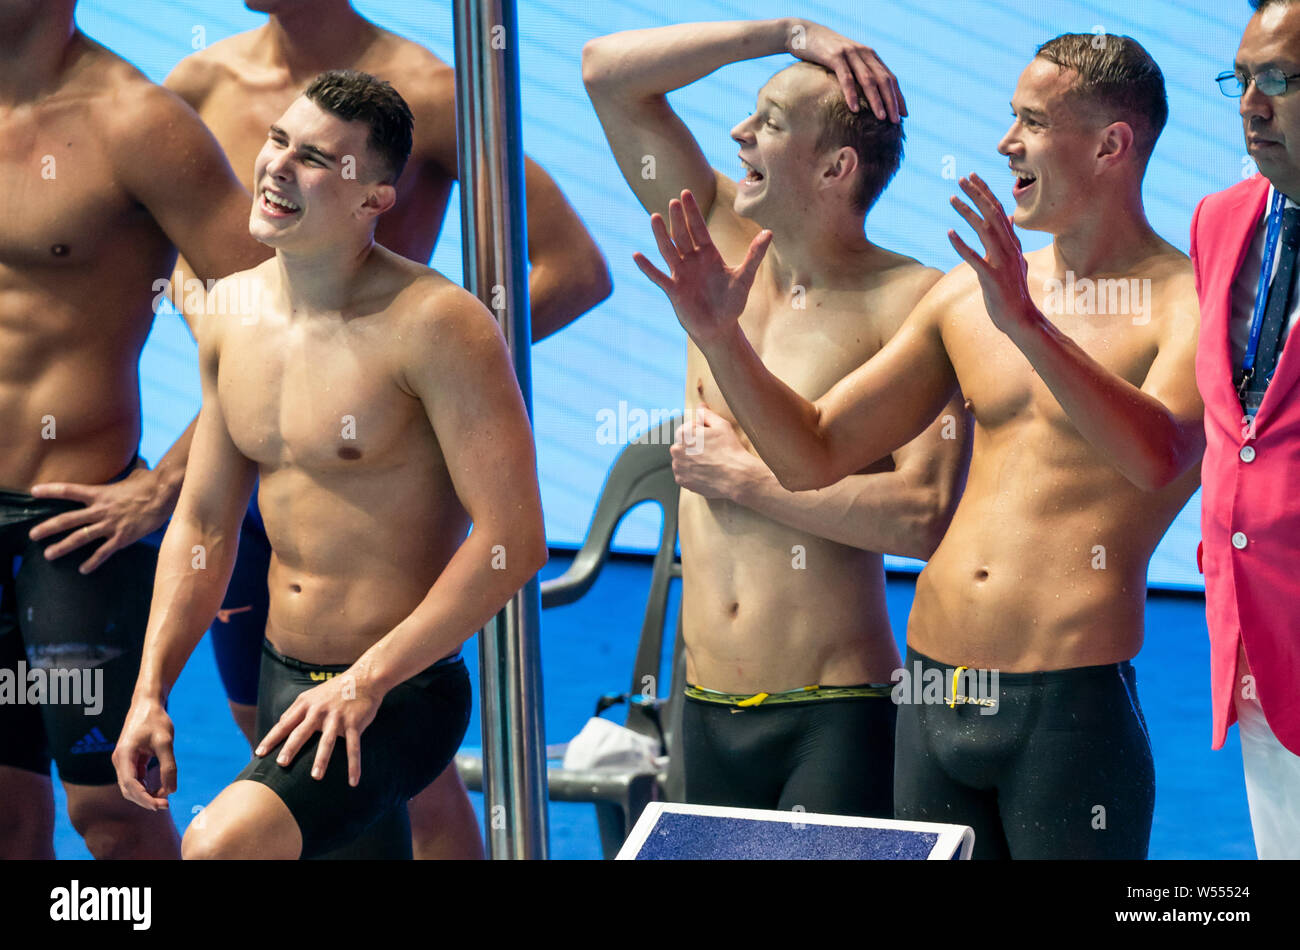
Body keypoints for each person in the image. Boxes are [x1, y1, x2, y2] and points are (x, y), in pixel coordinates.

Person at [636, 33, 1204, 858]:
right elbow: (814, 452)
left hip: (1069, 702)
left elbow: (1159, 456)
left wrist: (1031, 325)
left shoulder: (1179, 301)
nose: (1007, 141)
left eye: (1034, 122)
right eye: (1011, 117)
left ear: (1112, 144)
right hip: (933, 685)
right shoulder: (967, 297)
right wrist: (724, 341)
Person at [164, 0, 611, 859]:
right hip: (274, 562)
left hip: (394, 638)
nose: (280, 168)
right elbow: (204, 518)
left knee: (235, 840)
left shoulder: (432, 109)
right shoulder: (200, 81)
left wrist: (420, 391)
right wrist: (236, 330)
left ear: (375, 195)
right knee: (322, 831)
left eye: (314, 158)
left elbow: (575, 271)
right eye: (275, 142)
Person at [583, 18, 970, 818]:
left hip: (832, 710)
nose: (737, 132)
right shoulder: (712, 234)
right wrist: (784, 34)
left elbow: (922, 517)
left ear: (835, 167)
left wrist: (747, 480)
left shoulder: (915, 302)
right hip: (703, 703)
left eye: (770, 121)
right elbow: (605, 74)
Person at [0, 0, 269, 859]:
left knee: (112, 814)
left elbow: (278, 319)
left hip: (70, 529)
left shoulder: (137, 123)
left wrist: (167, 483)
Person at [1193, 0, 1300, 859]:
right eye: (1243, 78)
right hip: (1256, 643)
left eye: (1280, 80)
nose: (1251, 105)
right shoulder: (1219, 221)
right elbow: (1240, 422)